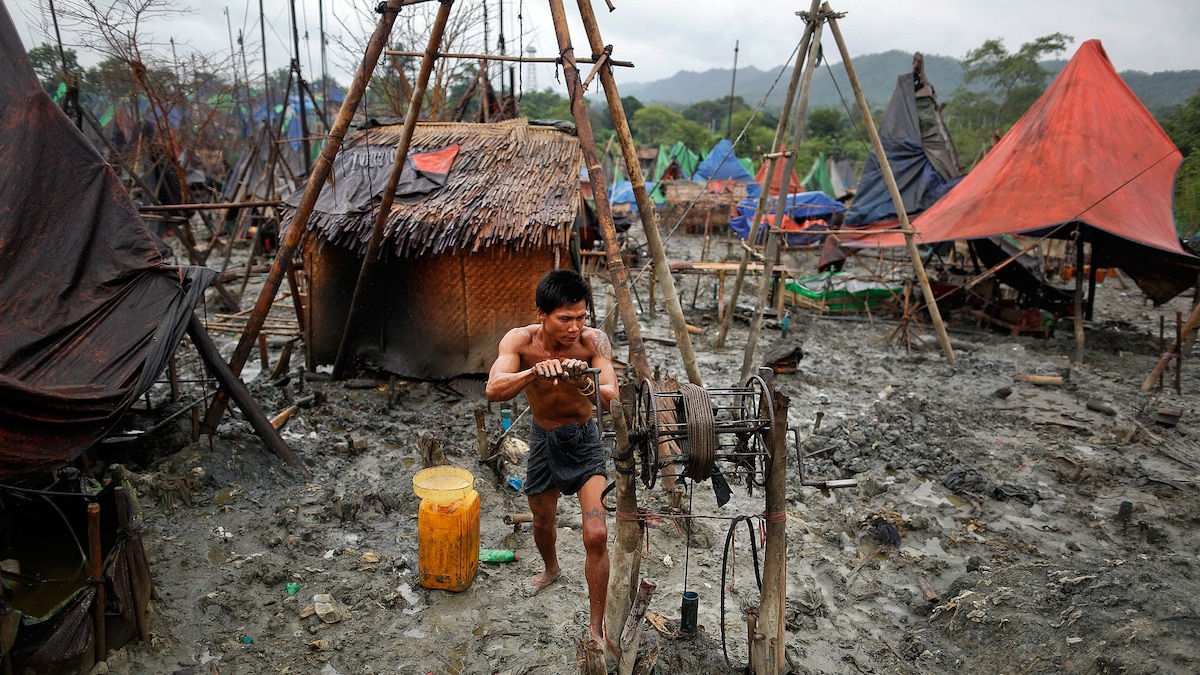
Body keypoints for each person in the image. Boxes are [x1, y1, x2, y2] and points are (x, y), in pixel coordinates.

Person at [485, 269, 619, 648]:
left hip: (584, 439)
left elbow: (615, 398)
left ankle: (597, 625)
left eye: (581, 317)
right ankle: (551, 569)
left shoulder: (594, 342)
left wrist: (585, 383)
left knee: (596, 534)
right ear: (542, 314)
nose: (575, 327)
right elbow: (493, 390)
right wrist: (533, 373)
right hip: (543, 439)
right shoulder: (520, 340)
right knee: (542, 521)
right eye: (565, 319)